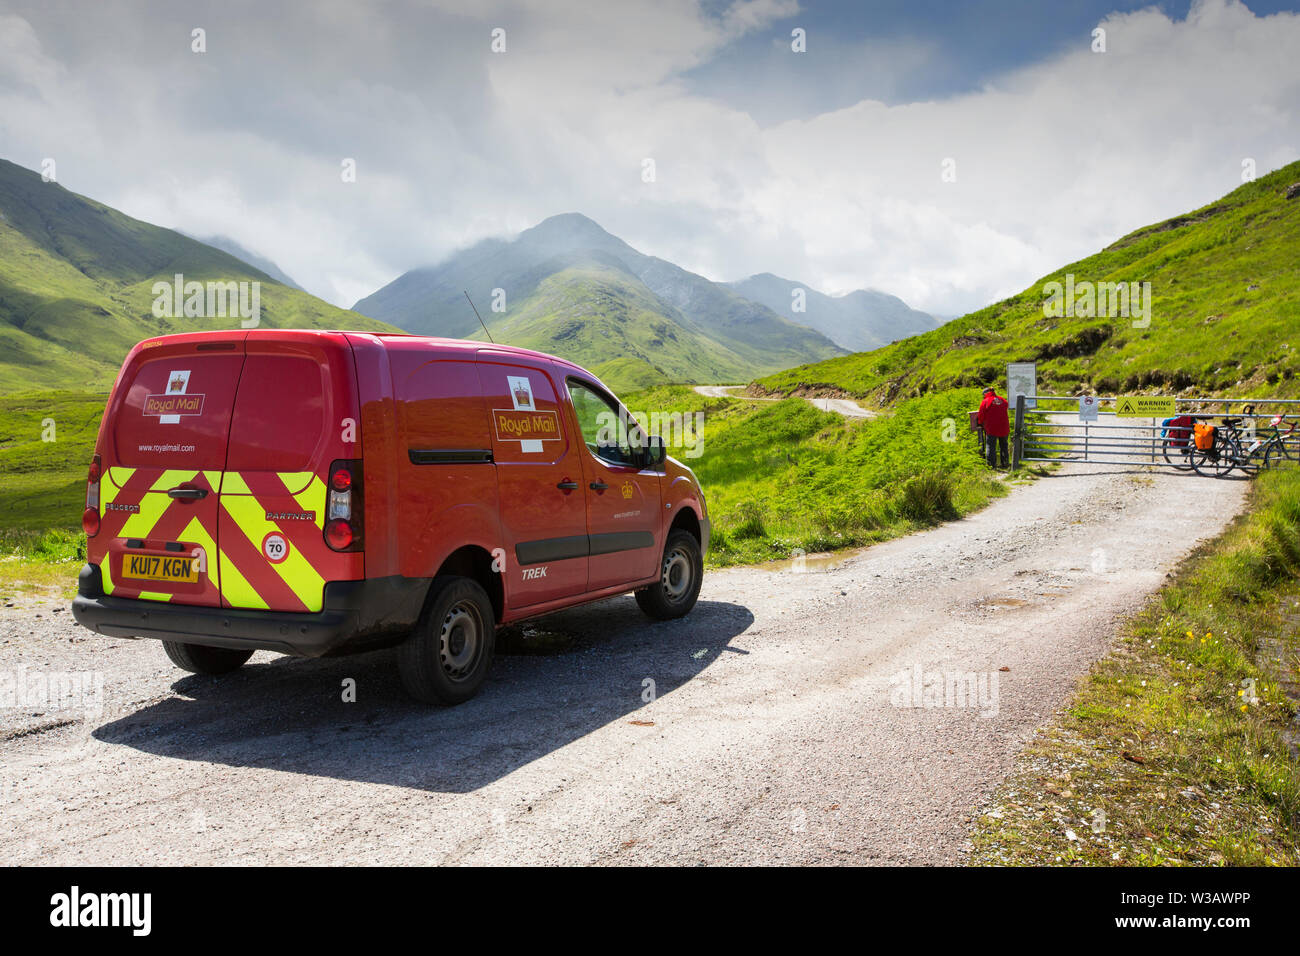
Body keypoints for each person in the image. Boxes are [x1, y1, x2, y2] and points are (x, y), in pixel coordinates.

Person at [977, 386, 1010, 469]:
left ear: (985, 394)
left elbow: (981, 415)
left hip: (992, 428)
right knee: (1004, 446)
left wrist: (980, 423)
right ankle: (1005, 463)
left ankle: (992, 466)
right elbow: (1006, 407)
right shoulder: (1003, 400)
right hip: (1004, 427)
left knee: (991, 446)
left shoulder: (985, 401)